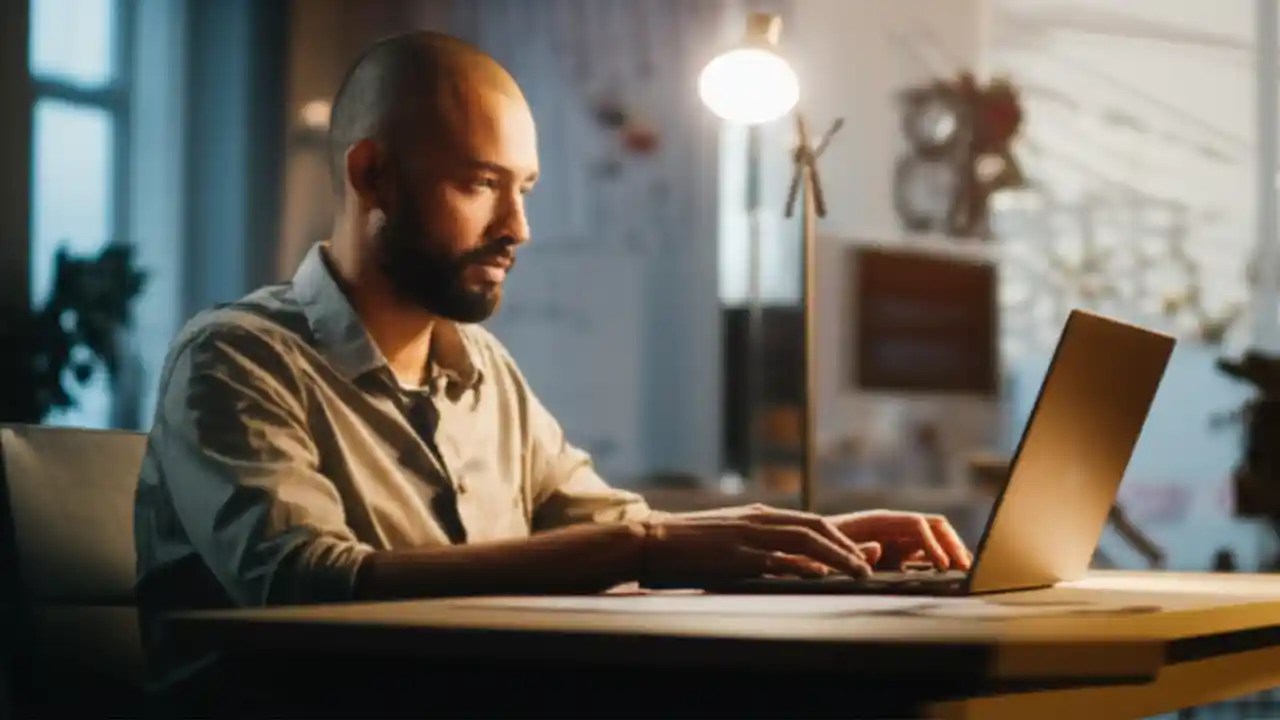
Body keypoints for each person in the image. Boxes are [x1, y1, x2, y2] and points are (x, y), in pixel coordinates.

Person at [133, 30, 970, 696]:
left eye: (525, 188)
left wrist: (797, 547)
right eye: (481, 184)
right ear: (372, 174)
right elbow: (305, 583)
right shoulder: (238, 359)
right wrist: (645, 548)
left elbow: (605, 529)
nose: (518, 228)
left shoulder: (484, 371)